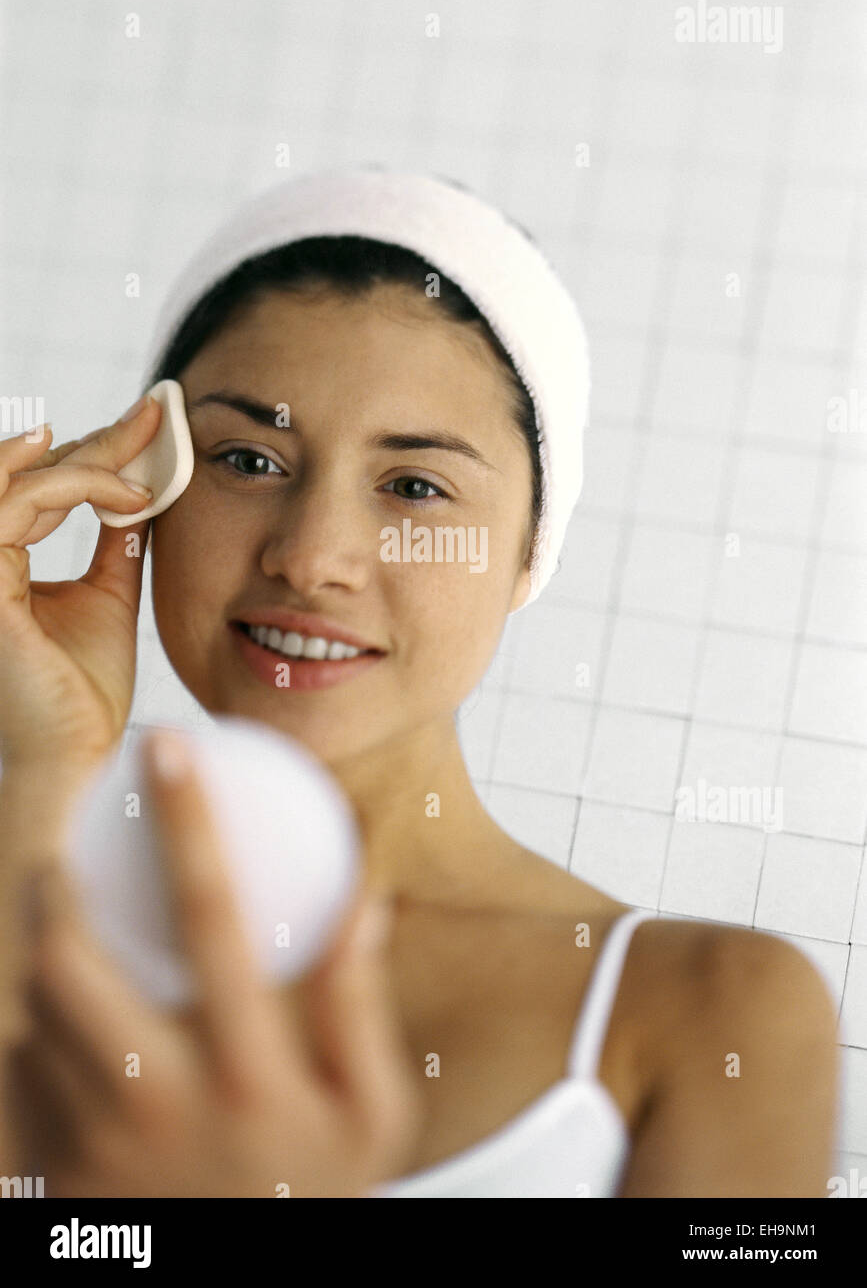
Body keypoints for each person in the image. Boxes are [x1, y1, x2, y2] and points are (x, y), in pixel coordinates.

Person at [0, 169, 840, 1197]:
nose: (313, 558)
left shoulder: (716, 1012)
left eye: (413, 485)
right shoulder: (25, 916)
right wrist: (47, 766)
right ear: (148, 486)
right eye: (249, 460)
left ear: (530, 553)